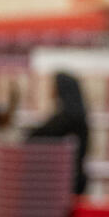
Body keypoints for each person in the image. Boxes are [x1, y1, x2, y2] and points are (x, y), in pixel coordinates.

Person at [28, 69, 91, 197]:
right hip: (73, 178)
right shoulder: (79, 115)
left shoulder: (69, 118)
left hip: (65, 182)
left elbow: (36, 135)